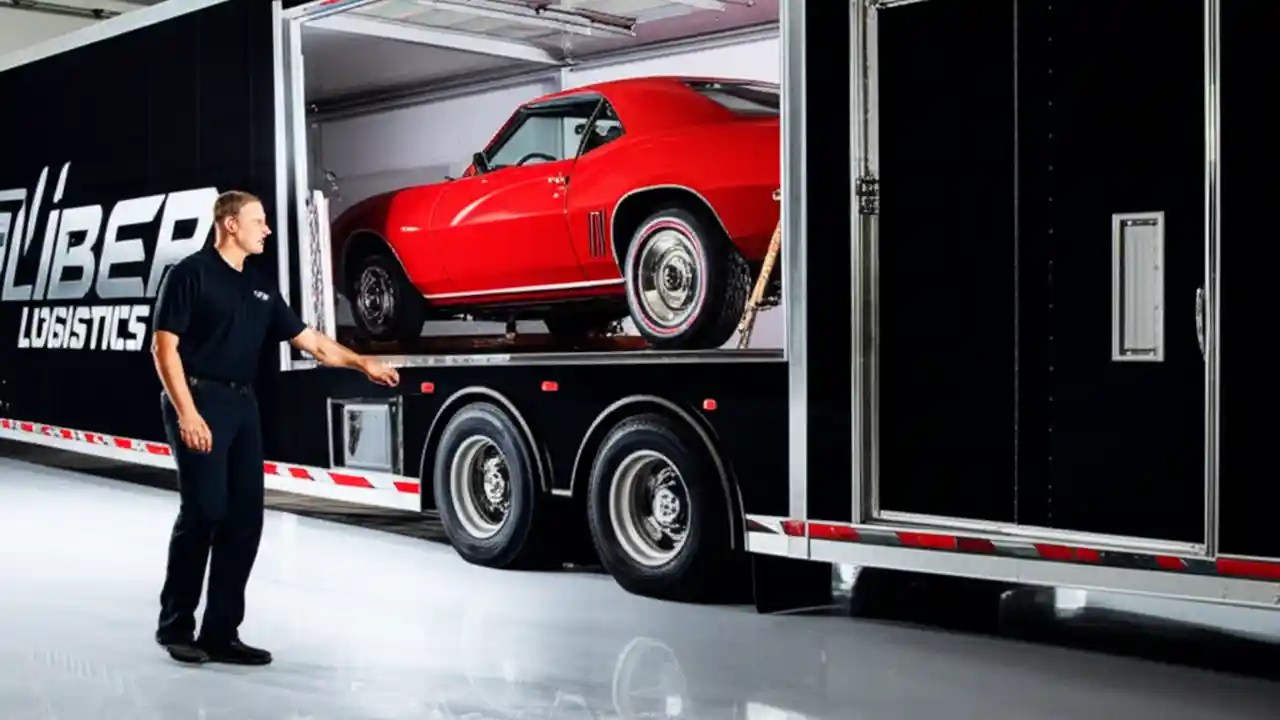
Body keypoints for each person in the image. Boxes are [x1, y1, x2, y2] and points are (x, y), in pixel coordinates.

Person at [149, 190, 399, 666]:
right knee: (204, 512)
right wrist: (187, 413)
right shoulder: (190, 275)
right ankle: (176, 626)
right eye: (258, 221)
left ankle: (221, 633)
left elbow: (313, 343)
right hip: (200, 398)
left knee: (245, 520)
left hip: (243, 406)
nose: (266, 229)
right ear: (229, 225)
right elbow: (165, 350)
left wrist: (361, 362)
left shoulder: (260, 287)